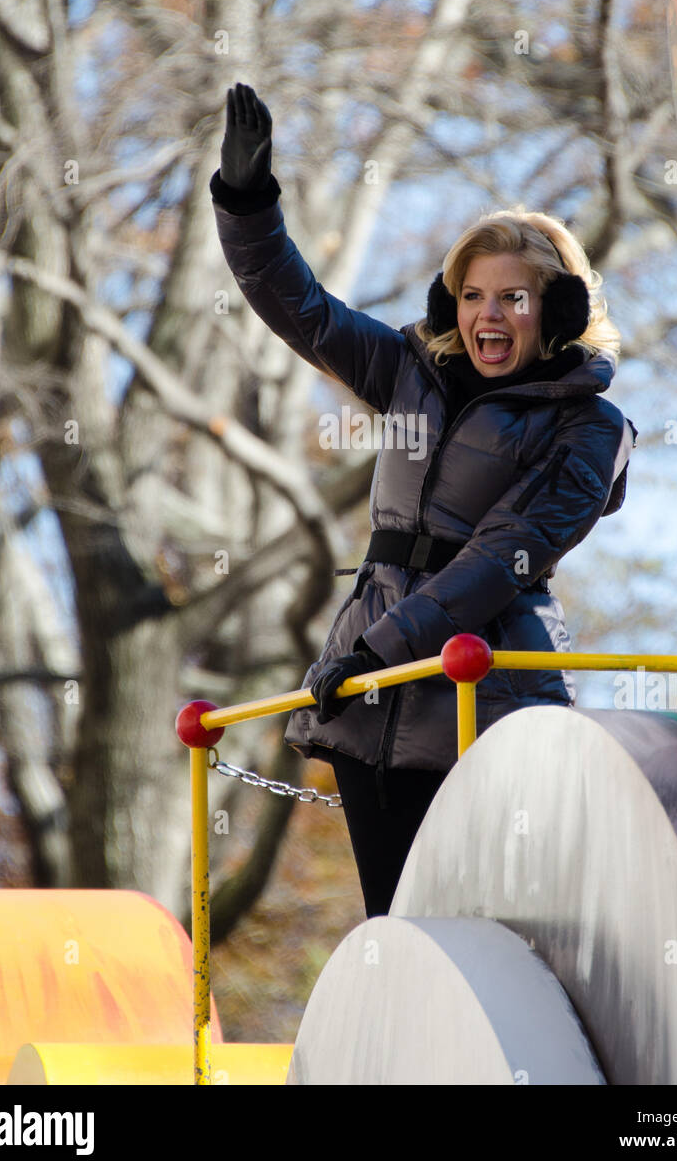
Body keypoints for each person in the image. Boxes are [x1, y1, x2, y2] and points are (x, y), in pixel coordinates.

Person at [211, 82, 637, 918]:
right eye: (473, 295)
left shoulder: (589, 426)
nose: (488, 313)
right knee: (394, 928)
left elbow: (500, 556)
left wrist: (380, 649)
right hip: (375, 692)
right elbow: (299, 310)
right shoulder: (412, 374)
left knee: (481, 932)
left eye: (512, 297)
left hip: (485, 693)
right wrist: (247, 200)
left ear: (552, 311)